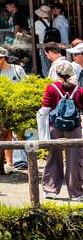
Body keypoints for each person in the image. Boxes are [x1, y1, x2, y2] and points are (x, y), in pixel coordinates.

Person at [40, 59, 83, 201]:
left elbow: (45, 109)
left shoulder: (51, 88)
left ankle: (51, 190)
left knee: (54, 157)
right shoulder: (79, 90)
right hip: (74, 127)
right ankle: (76, 193)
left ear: (57, 73)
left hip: (55, 127)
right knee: (74, 159)